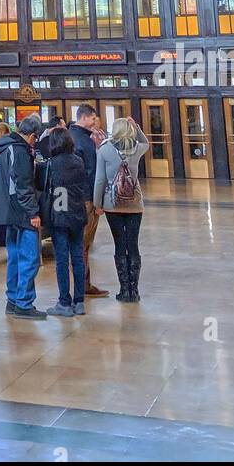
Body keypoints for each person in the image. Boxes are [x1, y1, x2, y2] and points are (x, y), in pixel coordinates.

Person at [0, 114, 44, 320]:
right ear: (31, 136)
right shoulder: (19, 151)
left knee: (13, 256)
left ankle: (13, 300)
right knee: (29, 257)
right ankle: (24, 302)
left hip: (6, 211)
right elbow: (22, 185)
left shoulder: (5, 147)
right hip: (20, 211)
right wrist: (33, 212)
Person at [94, 116, 149, 302]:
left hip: (112, 204)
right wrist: (137, 126)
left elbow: (100, 180)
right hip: (134, 203)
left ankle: (124, 290)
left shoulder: (104, 149)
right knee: (133, 244)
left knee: (120, 244)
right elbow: (145, 142)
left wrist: (97, 204)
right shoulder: (137, 149)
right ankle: (135, 290)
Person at [42, 128, 88, 317]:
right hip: (77, 213)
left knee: (61, 259)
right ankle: (79, 301)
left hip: (60, 214)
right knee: (77, 257)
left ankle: (64, 302)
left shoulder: (52, 164)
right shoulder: (78, 161)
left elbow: (44, 187)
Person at [69, 104, 108, 299]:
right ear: (84, 117)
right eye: (93, 118)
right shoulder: (84, 141)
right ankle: (82, 284)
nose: (96, 122)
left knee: (81, 243)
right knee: (83, 243)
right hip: (87, 199)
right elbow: (93, 173)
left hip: (74, 196)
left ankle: (82, 283)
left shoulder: (71, 136)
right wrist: (97, 200)